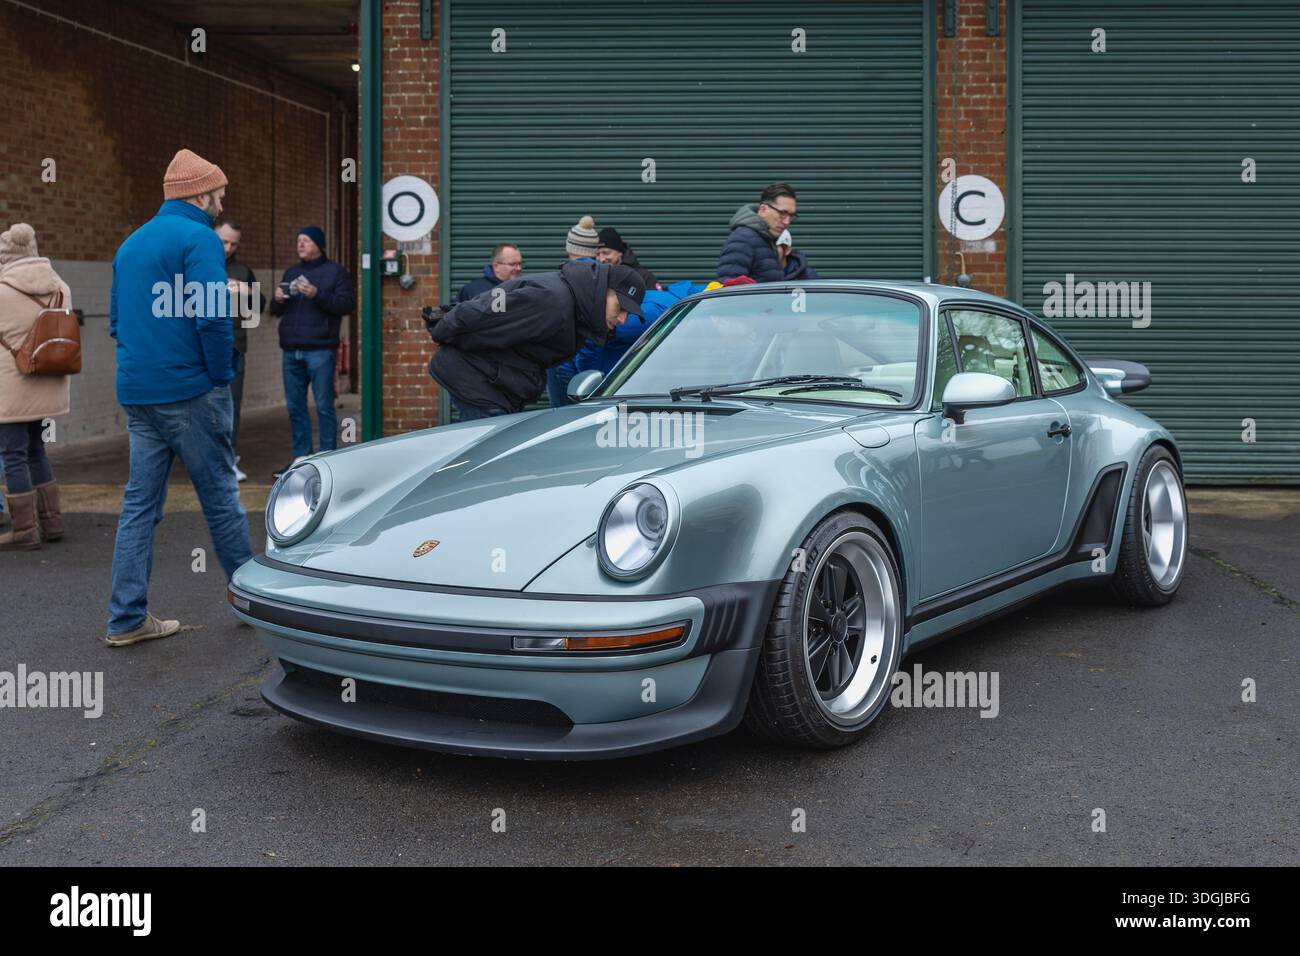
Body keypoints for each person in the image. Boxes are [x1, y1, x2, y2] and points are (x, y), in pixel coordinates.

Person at [106, 148, 252, 647]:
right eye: (220, 192)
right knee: (221, 499)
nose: (222, 200)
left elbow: (118, 323)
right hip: (192, 391)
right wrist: (220, 374)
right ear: (201, 193)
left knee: (139, 506)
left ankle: (126, 619)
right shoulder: (199, 239)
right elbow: (213, 317)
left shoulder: (131, 244)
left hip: (139, 393)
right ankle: (252, 601)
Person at [427, 260, 645, 420]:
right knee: (487, 468)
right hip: (476, 381)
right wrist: (442, 328)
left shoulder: (579, 312)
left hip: (498, 387)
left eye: (628, 313)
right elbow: (485, 310)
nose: (623, 319)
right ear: (604, 291)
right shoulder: (552, 301)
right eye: (620, 307)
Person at [0, 223, 71, 551]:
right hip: (47, 383)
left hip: (12, 388)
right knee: (36, 450)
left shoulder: (1, 289)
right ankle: (52, 522)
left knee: (13, 456)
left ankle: (25, 530)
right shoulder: (60, 286)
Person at [270, 227, 355, 476]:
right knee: (295, 407)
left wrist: (317, 294)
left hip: (320, 350)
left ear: (319, 244)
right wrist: (278, 298)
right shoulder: (292, 272)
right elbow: (276, 311)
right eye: (298, 240)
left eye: (306, 240)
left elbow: (345, 305)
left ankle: (329, 457)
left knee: (323, 405)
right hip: (291, 350)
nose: (300, 244)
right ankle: (301, 457)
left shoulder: (335, 273)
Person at [215, 218, 266, 482]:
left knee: (231, 406)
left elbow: (259, 308)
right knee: (200, 407)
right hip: (200, 350)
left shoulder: (243, 271)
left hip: (234, 348)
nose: (227, 248)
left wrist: (247, 291)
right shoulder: (196, 264)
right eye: (224, 241)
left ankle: (228, 459)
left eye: (233, 244)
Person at [718, 182, 819, 283]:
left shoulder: (766, 239)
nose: (787, 222)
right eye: (782, 213)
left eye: (791, 216)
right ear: (763, 210)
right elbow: (729, 293)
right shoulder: (742, 239)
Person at [457, 243, 523, 302]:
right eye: (512, 264)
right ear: (496, 266)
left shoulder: (525, 289)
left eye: (519, 264)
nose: (518, 268)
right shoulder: (471, 290)